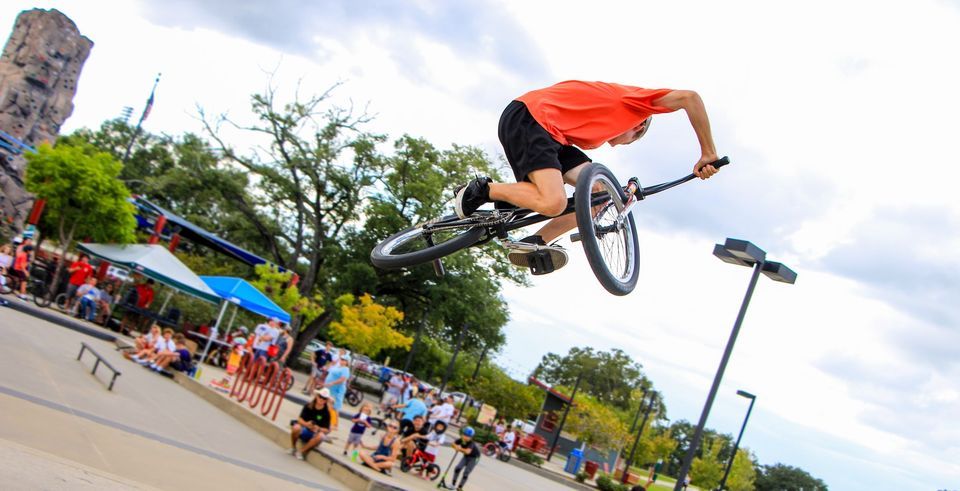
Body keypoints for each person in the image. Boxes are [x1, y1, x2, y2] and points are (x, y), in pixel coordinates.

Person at [452, 81, 720, 274]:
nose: (615, 145)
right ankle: (482, 190)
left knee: (600, 195)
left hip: (552, 134)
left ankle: (534, 241)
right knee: (553, 202)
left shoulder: (607, 116)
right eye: (628, 141)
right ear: (638, 127)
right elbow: (690, 98)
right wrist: (708, 153)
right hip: (532, 119)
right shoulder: (637, 105)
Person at [289, 388, 334, 460]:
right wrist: (306, 424)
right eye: (320, 397)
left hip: (314, 434)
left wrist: (318, 428)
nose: (321, 399)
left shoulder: (326, 413)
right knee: (296, 427)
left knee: (321, 436)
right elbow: (299, 419)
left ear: (326, 401)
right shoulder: (308, 406)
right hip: (304, 430)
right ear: (317, 396)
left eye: (324, 398)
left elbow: (326, 429)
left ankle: (301, 451)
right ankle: (293, 447)